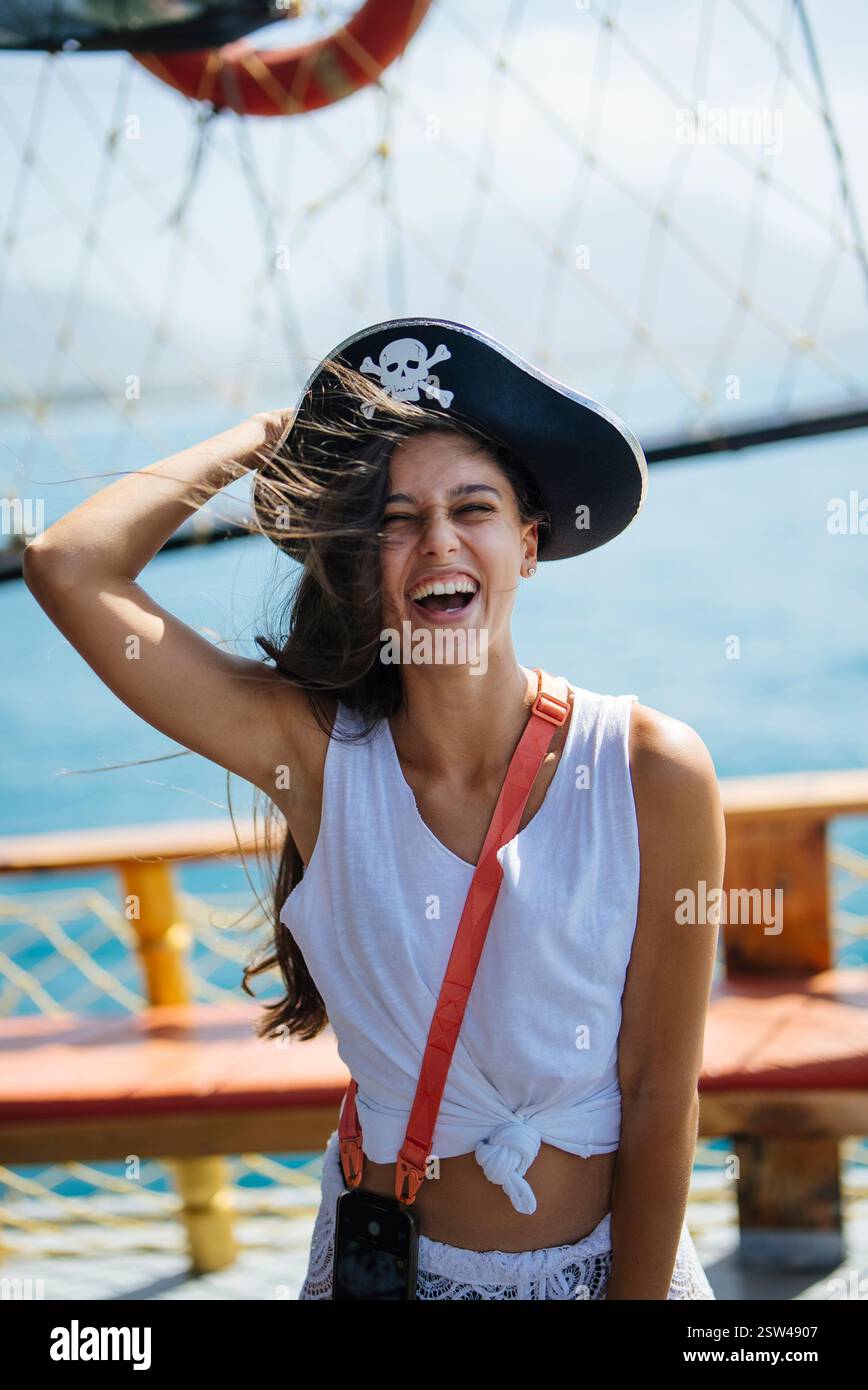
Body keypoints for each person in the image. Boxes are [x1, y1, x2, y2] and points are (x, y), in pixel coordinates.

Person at [23, 317, 723, 1300]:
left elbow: (660, 1092)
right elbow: (68, 564)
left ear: (526, 544)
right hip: (391, 1276)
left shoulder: (650, 768)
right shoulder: (314, 758)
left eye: (472, 507)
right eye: (394, 519)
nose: (437, 538)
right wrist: (265, 440)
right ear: (361, 565)